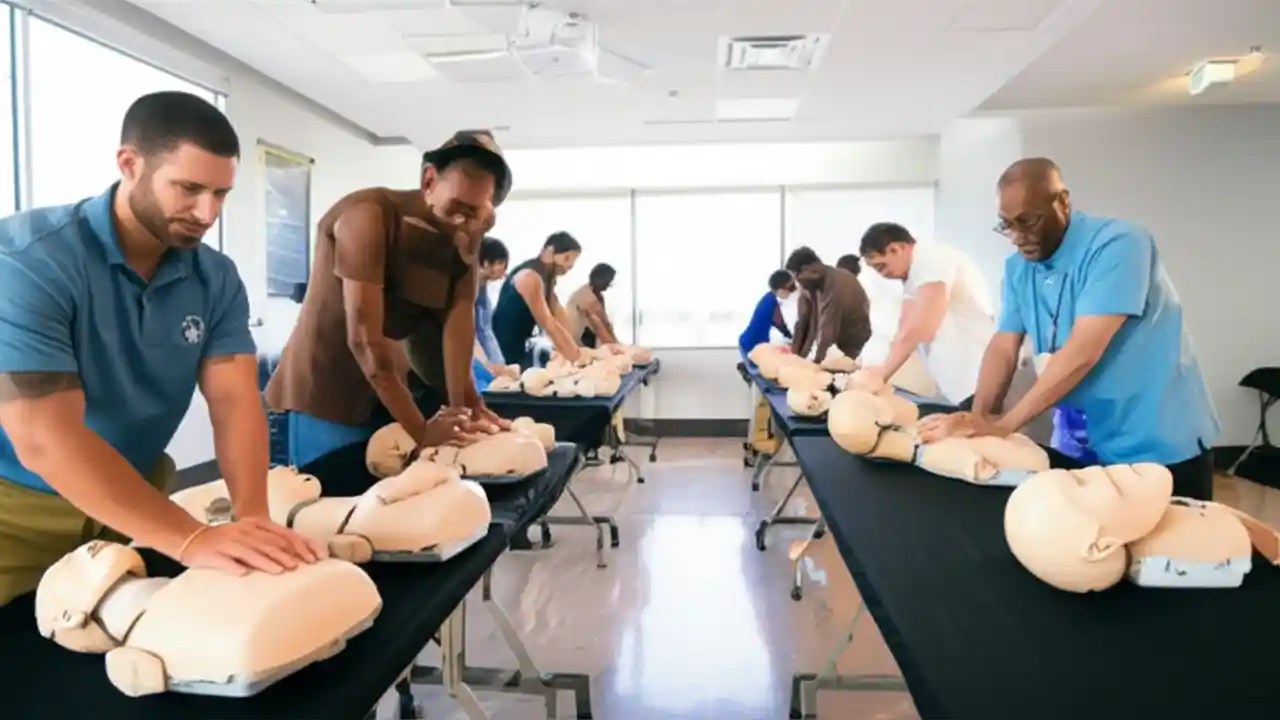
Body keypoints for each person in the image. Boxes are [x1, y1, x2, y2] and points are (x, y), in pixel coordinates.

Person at [0, 91, 320, 606]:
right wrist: (190, 538)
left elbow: (236, 404)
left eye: (221, 193)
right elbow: (42, 437)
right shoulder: (26, 261)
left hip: (129, 500)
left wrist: (254, 519)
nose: (207, 212)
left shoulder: (214, 278)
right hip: (13, 513)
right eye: (189, 188)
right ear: (129, 164)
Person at [919, 158, 1220, 500]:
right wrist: (979, 419)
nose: (1018, 237)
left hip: (1155, 435)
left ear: (1062, 201)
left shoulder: (1119, 244)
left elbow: (1083, 351)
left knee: (1176, 544)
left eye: (1028, 221)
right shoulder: (1019, 268)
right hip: (1083, 436)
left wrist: (1004, 425)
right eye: (1006, 225)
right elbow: (1004, 345)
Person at [266, 130, 512, 470]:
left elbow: (459, 322)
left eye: (478, 215)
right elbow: (364, 341)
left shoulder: (461, 236)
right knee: (331, 505)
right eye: (460, 209)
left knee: (393, 510)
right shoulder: (367, 216)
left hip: (391, 394)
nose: (466, 223)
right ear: (429, 180)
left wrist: (466, 406)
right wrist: (422, 432)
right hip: (329, 393)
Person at [858, 222, 995, 406]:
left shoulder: (930, 259)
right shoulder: (912, 274)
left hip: (978, 375)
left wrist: (882, 374)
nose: (883, 274)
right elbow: (905, 327)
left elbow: (922, 326)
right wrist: (879, 369)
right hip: (961, 381)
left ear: (896, 249)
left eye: (881, 266)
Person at [492, 231, 585, 368]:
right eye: (566, 259)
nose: (568, 267)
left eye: (572, 263)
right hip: (503, 351)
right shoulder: (530, 277)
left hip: (521, 346)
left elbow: (558, 316)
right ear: (549, 252)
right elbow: (549, 325)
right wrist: (577, 359)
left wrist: (579, 348)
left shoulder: (547, 279)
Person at [786, 246, 872, 362]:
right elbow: (803, 320)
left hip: (851, 349)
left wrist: (815, 365)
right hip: (834, 347)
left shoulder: (837, 285)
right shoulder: (811, 283)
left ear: (810, 269)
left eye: (797, 275)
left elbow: (828, 333)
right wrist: (794, 355)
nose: (797, 281)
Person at [471, 237, 509, 391]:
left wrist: (499, 364)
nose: (504, 269)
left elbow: (485, 331)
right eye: (501, 263)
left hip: (486, 358)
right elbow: (469, 332)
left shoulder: (482, 287)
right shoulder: (470, 287)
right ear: (486, 263)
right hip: (475, 360)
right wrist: (486, 364)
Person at [739, 269, 796, 354]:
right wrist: (794, 339)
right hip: (751, 347)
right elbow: (781, 326)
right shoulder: (771, 304)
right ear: (781, 290)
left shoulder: (769, 298)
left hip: (748, 342)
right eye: (791, 287)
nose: (793, 290)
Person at [565, 263, 620, 348]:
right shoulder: (586, 297)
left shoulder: (598, 295)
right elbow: (599, 328)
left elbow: (606, 324)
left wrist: (618, 344)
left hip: (587, 341)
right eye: (608, 281)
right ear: (601, 279)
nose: (609, 285)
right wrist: (618, 348)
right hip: (576, 344)